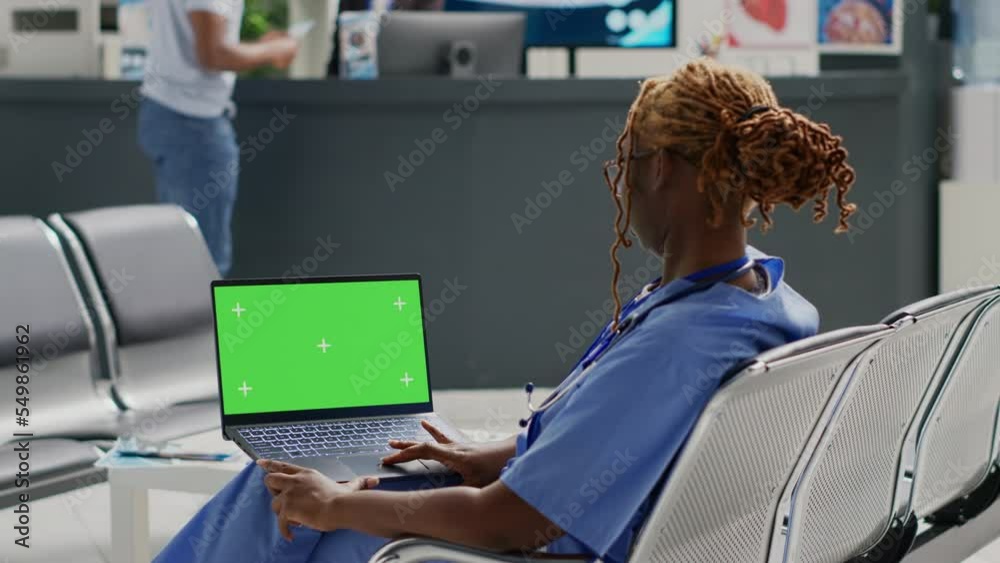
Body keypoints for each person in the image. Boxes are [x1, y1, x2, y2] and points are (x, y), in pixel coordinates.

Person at [154, 58, 857, 563]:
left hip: (525, 548)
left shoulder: (680, 341)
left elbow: (511, 522)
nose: (624, 186)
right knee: (320, 491)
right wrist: (492, 456)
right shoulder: (760, 300)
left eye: (628, 162)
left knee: (281, 495)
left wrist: (337, 504)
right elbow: (624, 444)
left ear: (662, 169)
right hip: (581, 525)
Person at [138, 0, 299, 276]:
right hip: (193, 121)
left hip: (170, 113)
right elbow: (212, 54)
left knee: (182, 253)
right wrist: (275, 50)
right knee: (203, 264)